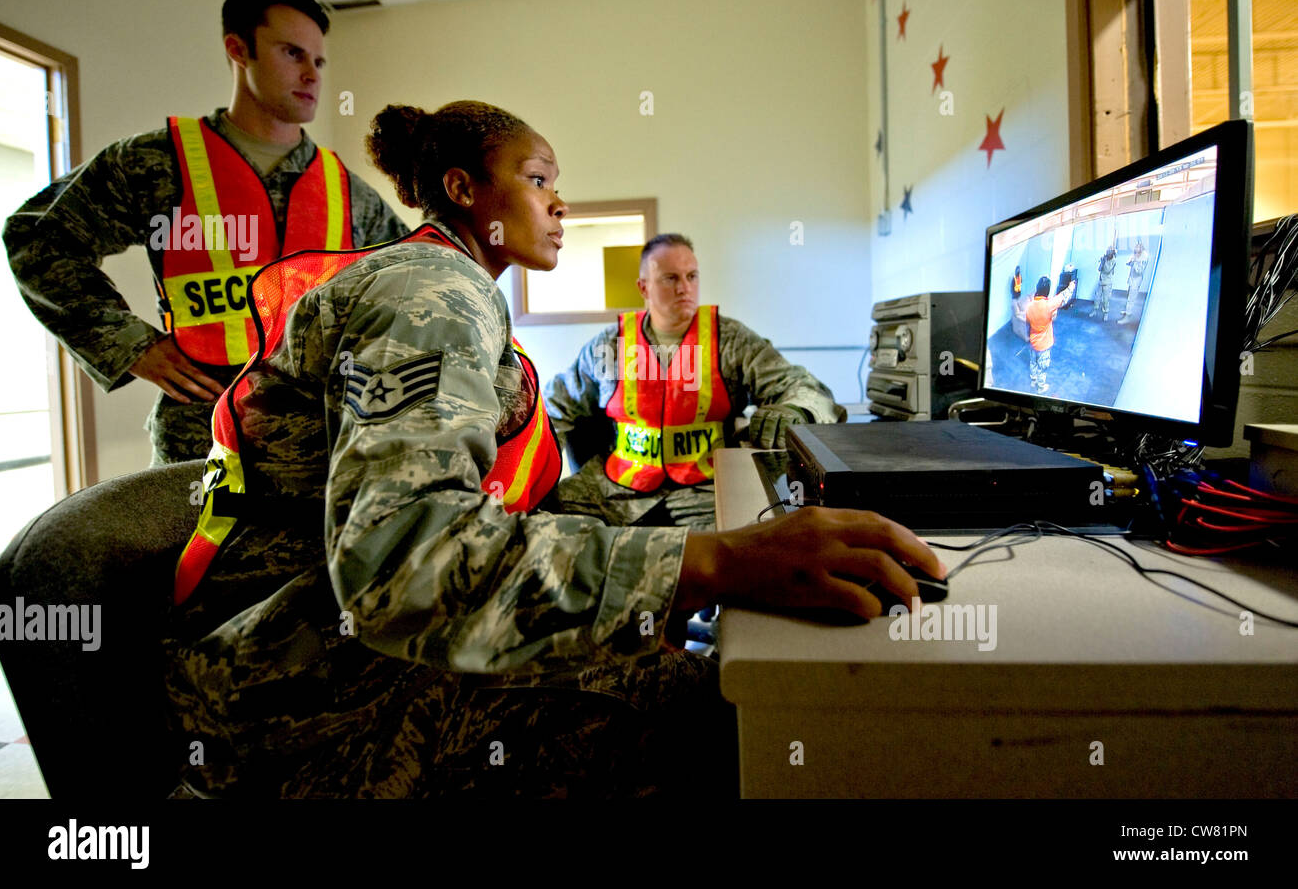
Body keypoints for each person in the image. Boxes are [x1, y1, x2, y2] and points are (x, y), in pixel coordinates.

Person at [165, 100, 943, 798]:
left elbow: (509, 487)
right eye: (538, 178)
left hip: (334, 649)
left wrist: (641, 586)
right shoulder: (431, 293)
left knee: (686, 659)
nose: (560, 202)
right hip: (308, 698)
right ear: (466, 190)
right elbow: (402, 560)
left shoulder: (461, 290)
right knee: (725, 713)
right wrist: (711, 564)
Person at [2, 0, 406, 464]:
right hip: (199, 447)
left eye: (318, 62)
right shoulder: (157, 163)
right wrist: (129, 344)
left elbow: (412, 282)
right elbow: (39, 236)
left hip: (319, 450)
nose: (310, 74)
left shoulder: (346, 192)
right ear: (238, 50)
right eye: (292, 53)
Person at [544, 234, 846, 529]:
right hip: (614, 491)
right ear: (643, 287)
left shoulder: (731, 340)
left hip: (708, 490)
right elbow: (552, 409)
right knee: (542, 527)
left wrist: (795, 409)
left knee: (754, 546)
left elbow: (804, 387)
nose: (685, 288)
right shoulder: (609, 345)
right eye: (671, 278)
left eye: (692, 276)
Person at [1025, 274, 1074, 394]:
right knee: (1042, 367)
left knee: (1033, 362)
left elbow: (1028, 322)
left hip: (1032, 342)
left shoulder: (1029, 306)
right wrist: (1071, 287)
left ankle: (1033, 380)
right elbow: (1063, 297)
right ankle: (1041, 387)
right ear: (1047, 290)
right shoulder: (1048, 305)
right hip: (1044, 344)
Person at [1118, 239, 1149, 323]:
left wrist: (1135, 261)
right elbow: (1129, 264)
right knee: (1129, 296)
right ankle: (1127, 311)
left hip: (1136, 280)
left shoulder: (1143, 258)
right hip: (1132, 279)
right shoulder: (1136, 255)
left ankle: (1127, 316)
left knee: (1131, 298)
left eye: (1136, 251)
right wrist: (1131, 261)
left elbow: (1139, 271)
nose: (1135, 253)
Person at [1091, 246, 1117, 320]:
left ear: (1112, 253)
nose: (1107, 253)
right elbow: (1099, 269)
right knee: (1097, 297)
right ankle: (1095, 310)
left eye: (1109, 251)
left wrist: (1104, 262)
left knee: (1105, 299)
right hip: (1101, 280)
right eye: (1107, 251)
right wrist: (1102, 262)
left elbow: (1107, 270)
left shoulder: (1113, 260)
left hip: (1107, 282)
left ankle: (1106, 313)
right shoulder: (1104, 259)